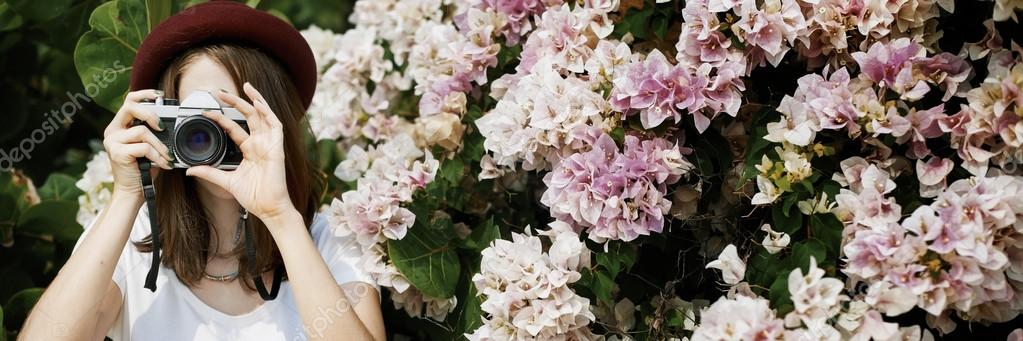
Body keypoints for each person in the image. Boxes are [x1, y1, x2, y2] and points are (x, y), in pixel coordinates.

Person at [21, 1, 385, 340]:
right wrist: (127, 195)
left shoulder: (330, 242)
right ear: (165, 123)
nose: (212, 134)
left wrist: (280, 217)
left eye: (232, 114)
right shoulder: (134, 243)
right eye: (196, 119)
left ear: (276, 122)